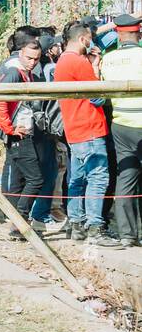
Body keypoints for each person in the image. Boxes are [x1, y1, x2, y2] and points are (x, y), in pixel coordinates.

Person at [0, 33, 58, 241]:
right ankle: (21, 219)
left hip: (24, 132)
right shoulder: (14, 73)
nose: (32, 62)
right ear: (21, 54)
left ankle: (15, 224)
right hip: (19, 135)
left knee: (18, 182)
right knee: (36, 179)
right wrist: (9, 129)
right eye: (29, 58)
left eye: (36, 59)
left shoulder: (27, 74)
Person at [58, 21, 119, 246]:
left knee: (78, 179)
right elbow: (98, 96)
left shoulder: (63, 61)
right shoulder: (78, 61)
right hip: (90, 127)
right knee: (98, 177)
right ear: (84, 39)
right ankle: (95, 226)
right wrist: (95, 70)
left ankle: (76, 222)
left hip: (74, 128)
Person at [102, 13, 142, 248]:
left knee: (126, 178)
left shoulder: (108, 59)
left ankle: (127, 234)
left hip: (121, 124)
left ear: (117, 33)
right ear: (138, 33)